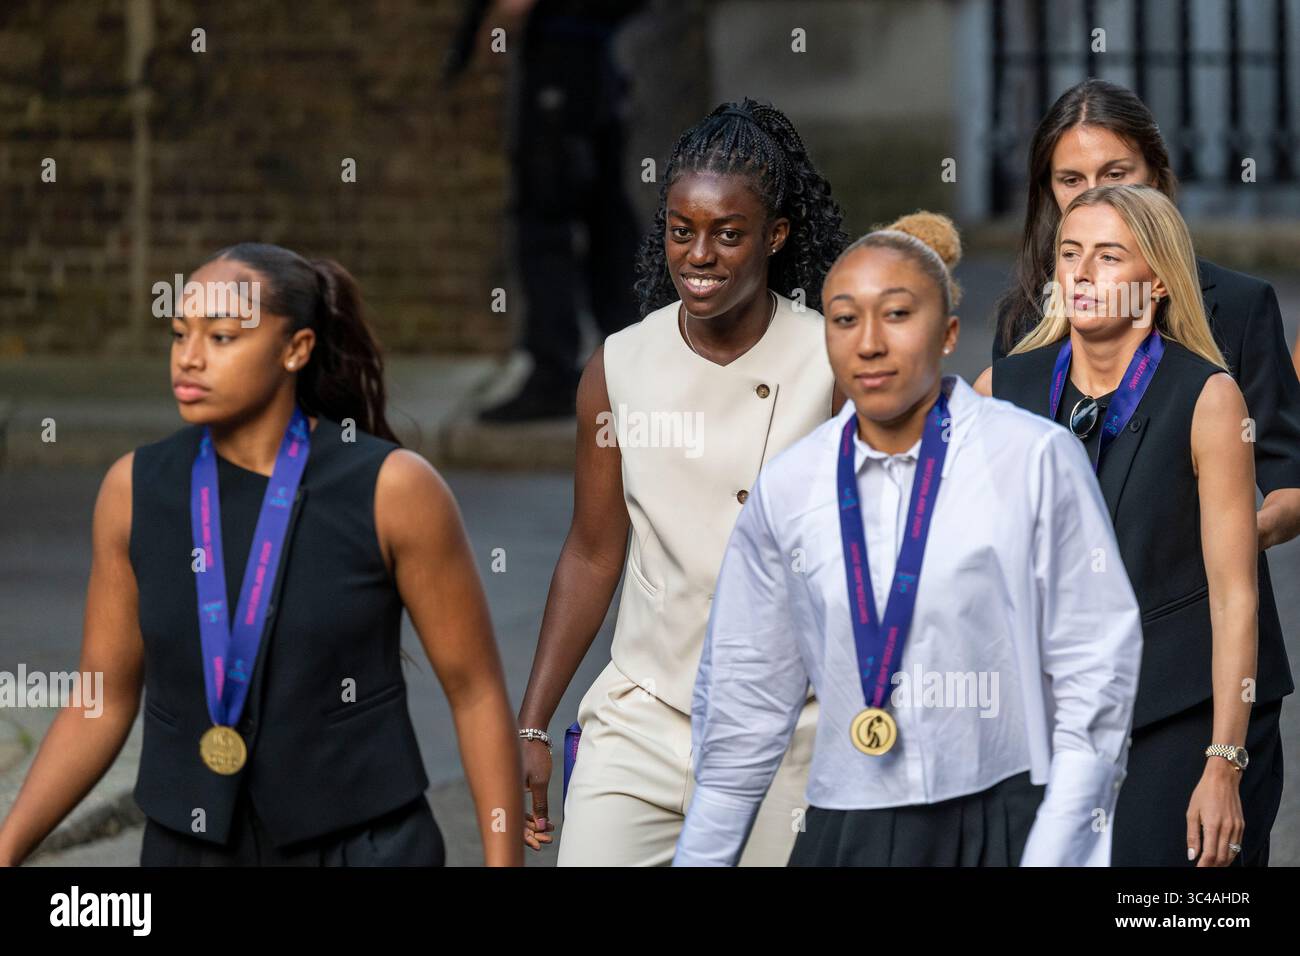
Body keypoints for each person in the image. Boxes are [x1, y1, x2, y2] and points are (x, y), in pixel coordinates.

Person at [0, 243, 522, 867]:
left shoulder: (394, 489)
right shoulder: (133, 490)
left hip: (363, 849)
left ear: (295, 349)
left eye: (221, 337)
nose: (189, 358)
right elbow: (101, 702)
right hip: (187, 851)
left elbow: (476, 693)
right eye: (179, 333)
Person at [674, 212, 1142, 867]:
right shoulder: (791, 487)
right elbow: (745, 697)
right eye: (844, 318)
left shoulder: (1031, 458)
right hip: (848, 822)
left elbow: (1095, 669)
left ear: (949, 333)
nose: (869, 343)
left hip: (1003, 812)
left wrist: (1058, 850)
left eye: (897, 314)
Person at [516, 98, 849, 865]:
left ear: (775, 235)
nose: (699, 254)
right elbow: (593, 552)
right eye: (680, 230)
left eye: (729, 234)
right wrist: (535, 720)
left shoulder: (829, 363)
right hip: (643, 715)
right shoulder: (619, 366)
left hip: (787, 728)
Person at [976, 184, 1278, 866]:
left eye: (1108, 256)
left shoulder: (1209, 396)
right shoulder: (1000, 392)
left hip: (1168, 717)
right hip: (1035, 724)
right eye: (1069, 253)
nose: (1081, 274)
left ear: (1160, 281)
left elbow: (1235, 599)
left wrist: (1224, 765)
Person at [992, 79, 1300, 555]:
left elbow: (1291, 477)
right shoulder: (1024, 316)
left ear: (1156, 174)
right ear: (1048, 189)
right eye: (1071, 180)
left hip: (1197, 612)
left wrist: (1232, 539)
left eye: (1115, 174)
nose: (1093, 196)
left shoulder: (1240, 304)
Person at [471, 0, 647, 422]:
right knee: (605, 216)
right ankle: (633, 363)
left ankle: (554, 373)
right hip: (591, 59)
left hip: (564, 59)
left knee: (545, 221)